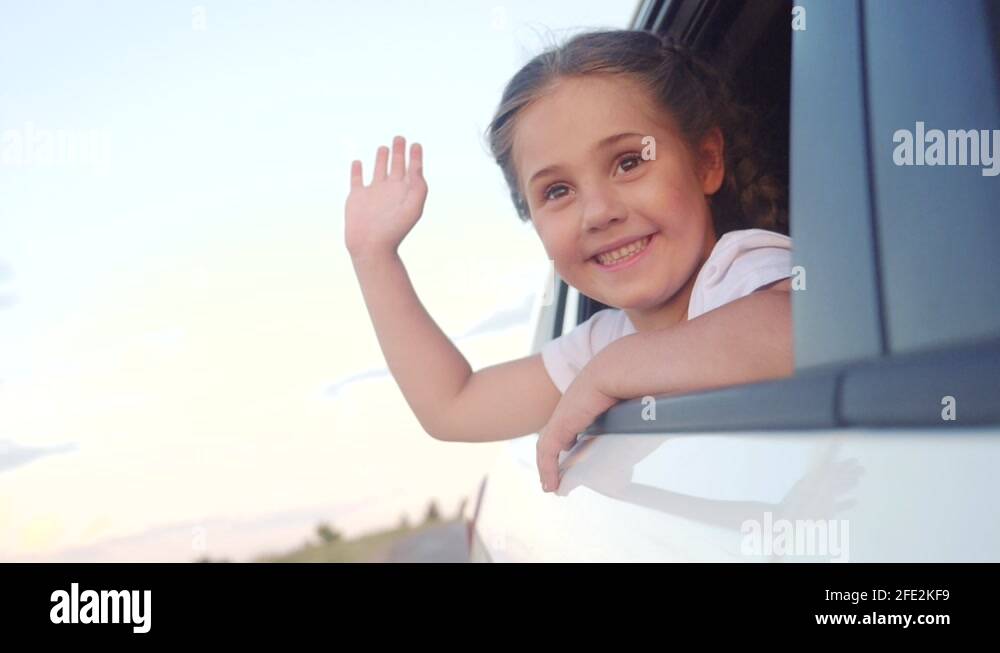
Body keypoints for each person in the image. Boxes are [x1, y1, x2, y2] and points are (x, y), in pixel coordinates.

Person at [343, 30, 793, 493]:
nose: (599, 212)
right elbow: (453, 406)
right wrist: (374, 257)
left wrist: (617, 368)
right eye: (557, 191)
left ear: (705, 162)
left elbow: (798, 329)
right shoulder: (601, 342)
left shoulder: (742, 268)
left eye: (629, 162)